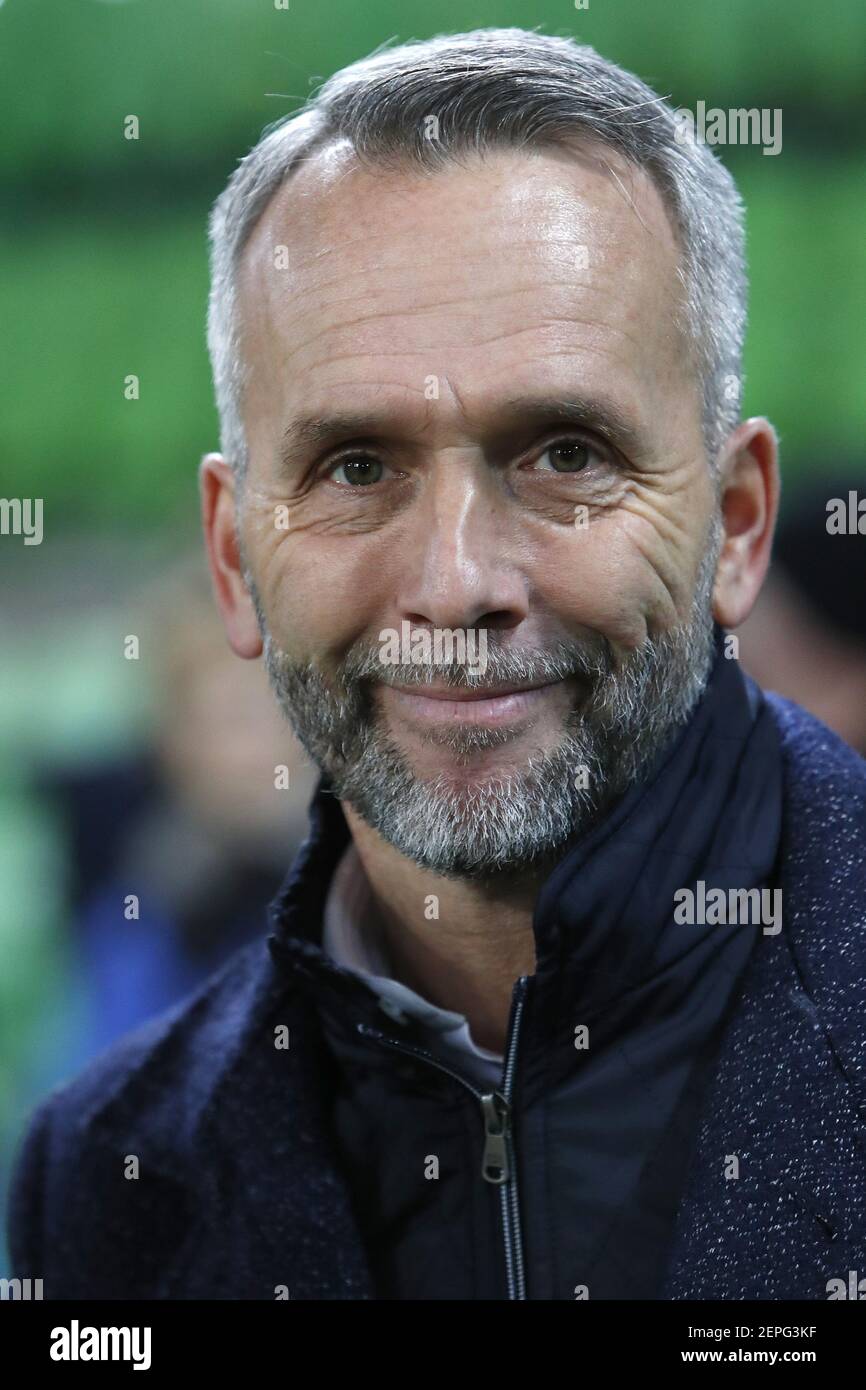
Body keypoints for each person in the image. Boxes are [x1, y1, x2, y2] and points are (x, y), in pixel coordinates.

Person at [7, 28, 866, 1301]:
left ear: (735, 522)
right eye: (356, 467)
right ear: (234, 558)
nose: (456, 581)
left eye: (565, 452)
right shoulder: (104, 1184)